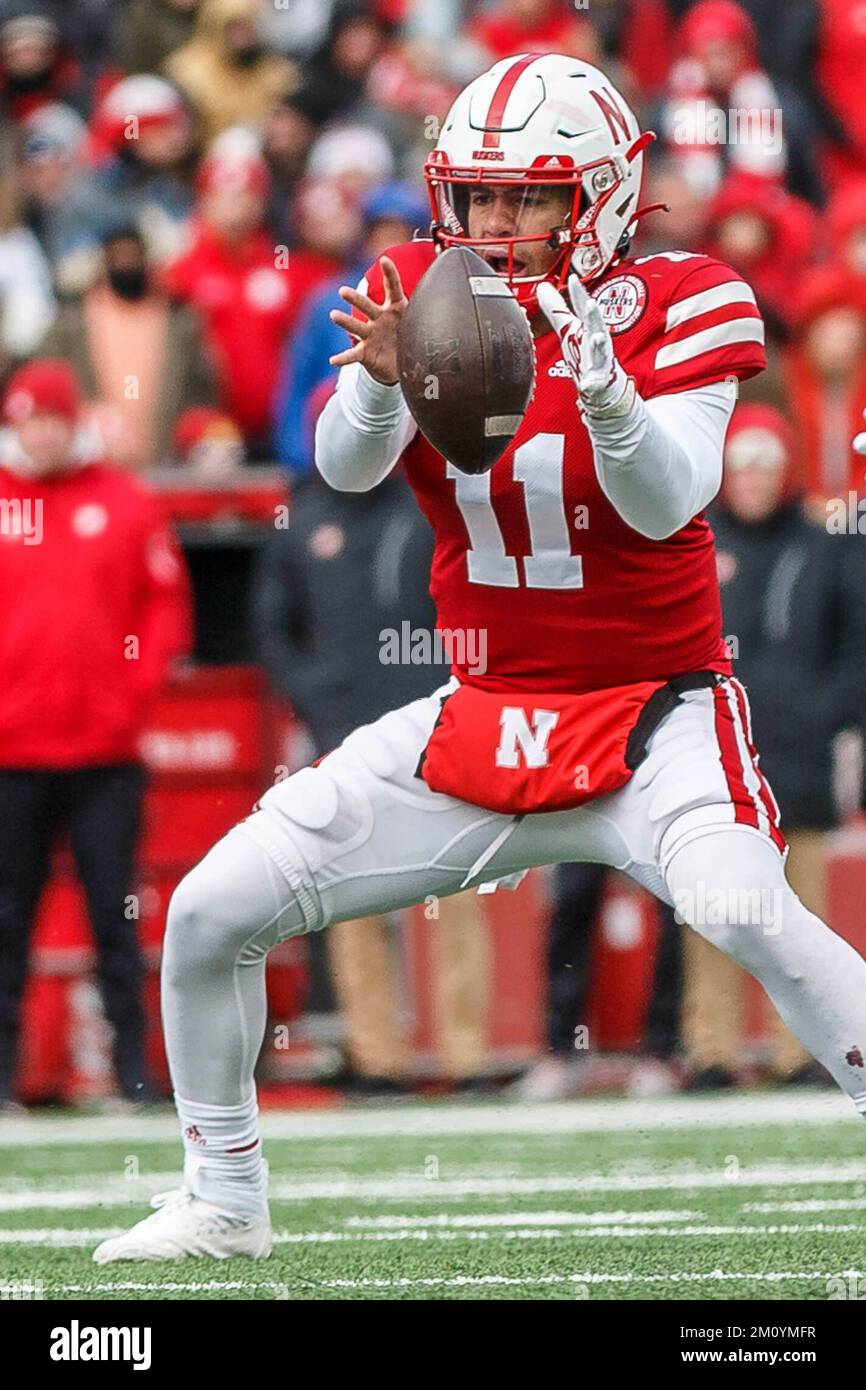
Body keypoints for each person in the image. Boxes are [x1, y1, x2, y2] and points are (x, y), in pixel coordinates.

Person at [95, 53, 866, 1266]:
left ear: (602, 195)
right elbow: (341, 471)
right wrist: (379, 386)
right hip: (482, 709)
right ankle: (224, 1196)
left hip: (651, 715)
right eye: (479, 196)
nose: (497, 226)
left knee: (740, 905)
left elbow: (668, 499)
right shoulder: (417, 285)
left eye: (530, 198)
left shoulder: (685, 295)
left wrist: (605, 391)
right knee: (205, 910)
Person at [250, 468, 490, 1095]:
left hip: (436, 729)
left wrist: (461, 689)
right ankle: (376, 1054)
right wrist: (311, 693)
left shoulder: (429, 506)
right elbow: (273, 625)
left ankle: (465, 1055)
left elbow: (475, 599)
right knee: (354, 899)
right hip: (345, 740)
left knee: (458, 890)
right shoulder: (299, 521)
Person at [0, 359, 192, 1110]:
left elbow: (165, 606)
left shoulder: (125, 502)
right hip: (12, 754)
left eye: (51, 416)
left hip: (105, 753)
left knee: (116, 917)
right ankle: (5, 1080)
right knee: (7, 923)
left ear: (70, 419)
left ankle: (133, 1074)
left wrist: (129, 692)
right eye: (27, 419)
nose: (41, 432)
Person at [683, 404, 866, 1086]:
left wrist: (825, 714)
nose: (754, 480)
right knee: (714, 904)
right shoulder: (695, 543)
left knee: (802, 915)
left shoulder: (823, 545)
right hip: (716, 751)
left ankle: (806, 1051)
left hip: (800, 751)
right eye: (741, 468)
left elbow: (854, 645)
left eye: (764, 465)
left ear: (784, 469)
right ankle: (712, 1048)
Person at [43, 224, 218, 467]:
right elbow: (47, 382)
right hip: (93, 464)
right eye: (118, 257)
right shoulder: (72, 322)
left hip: (166, 463)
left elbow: (204, 392)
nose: (126, 264)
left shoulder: (180, 321)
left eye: (133, 256)